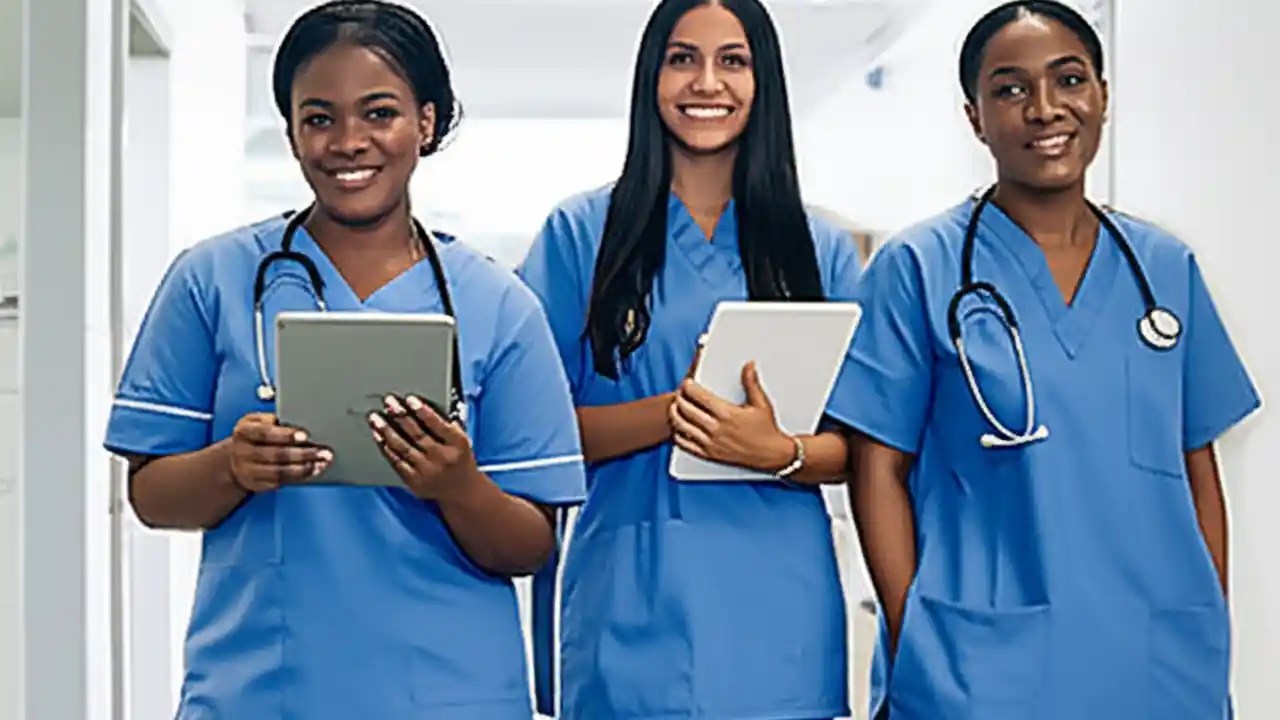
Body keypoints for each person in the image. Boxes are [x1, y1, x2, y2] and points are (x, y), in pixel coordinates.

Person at [103, 2, 586, 717]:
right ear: (293, 132)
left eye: (379, 113)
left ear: (425, 122)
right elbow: (150, 495)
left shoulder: (498, 306)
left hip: (450, 694)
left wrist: (457, 486)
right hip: (262, 691)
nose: (347, 142)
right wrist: (230, 466)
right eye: (319, 118)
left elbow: (529, 546)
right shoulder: (213, 280)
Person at [827, 2, 1262, 718]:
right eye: (1010, 89)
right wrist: (919, 641)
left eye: (1069, 79)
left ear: (1103, 96)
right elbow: (879, 469)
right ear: (975, 117)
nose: (1045, 108)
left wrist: (1204, 623)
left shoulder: (1164, 269)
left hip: (1157, 667)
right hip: (979, 668)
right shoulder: (920, 267)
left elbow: (1195, 467)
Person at [517, 1, 861, 718]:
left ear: (762, 79)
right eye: (683, 58)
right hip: (630, 598)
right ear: (652, 78)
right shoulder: (583, 235)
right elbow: (533, 438)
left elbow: (865, 448)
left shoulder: (816, 248)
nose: (707, 81)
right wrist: (672, 414)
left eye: (732, 60)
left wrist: (779, 451)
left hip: (779, 613)